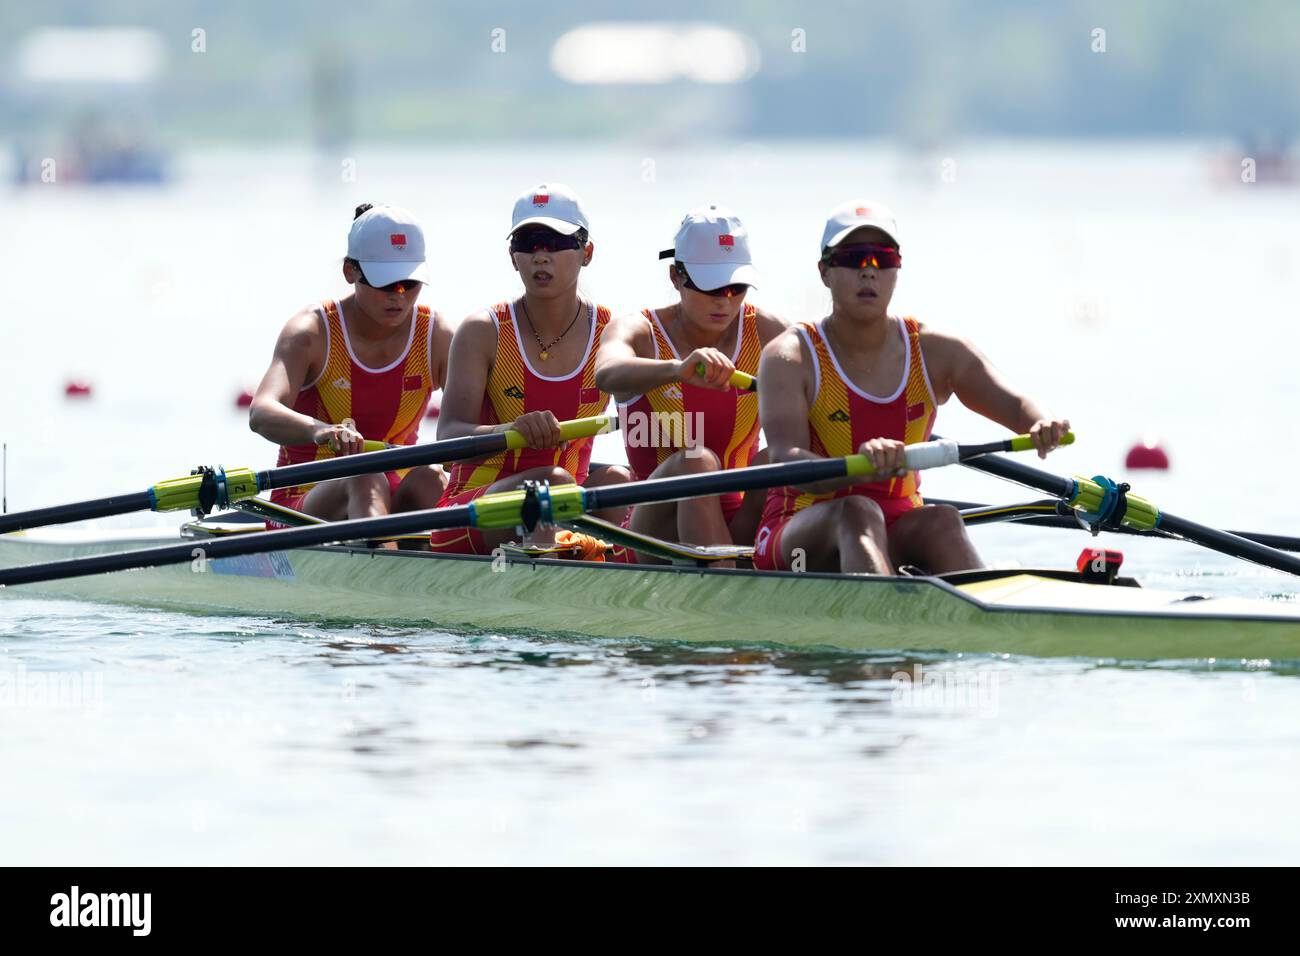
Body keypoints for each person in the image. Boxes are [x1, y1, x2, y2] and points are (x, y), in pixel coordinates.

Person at [754, 200, 1070, 575]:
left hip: (898, 523)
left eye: (882, 258)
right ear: (825, 271)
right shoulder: (790, 356)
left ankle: (993, 625)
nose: (868, 271)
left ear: (897, 269)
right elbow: (786, 458)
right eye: (854, 258)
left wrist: (1042, 422)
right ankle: (886, 622)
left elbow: (1017, 406)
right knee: (857, 512)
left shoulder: (936, 350)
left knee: (943, 520)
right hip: (798, 533)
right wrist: (859, 468)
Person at [430, 183, 628, 557]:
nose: (541, 255)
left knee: (621, 481)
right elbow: (449, 440)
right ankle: (552, 583)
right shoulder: (483, 331)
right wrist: (510, 430)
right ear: (512, 256)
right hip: (469, 512)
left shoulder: (612, 334)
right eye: (528, 241)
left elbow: (645, 428)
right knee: (553, 480)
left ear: (586, 253)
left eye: (554, 241)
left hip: (565, 504)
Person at [249, 203, 451, 543]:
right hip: (302, 508)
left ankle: (445, 567)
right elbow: (261, 412)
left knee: (432, 477)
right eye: (385, 282)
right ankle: (385, 569)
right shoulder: (311, 332)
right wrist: (321, 431)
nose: (398, 296)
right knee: (364, 474)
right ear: (349, 271)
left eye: (409, 282)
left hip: (395, 497)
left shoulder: (437, 336)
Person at [594, 204, 786, 561]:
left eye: (736, 286)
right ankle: (726, 583)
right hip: (652, 524)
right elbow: (606, 374)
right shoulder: (638, 329)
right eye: (710, 285)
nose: (724, 300)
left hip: (738, 517)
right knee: (697, 460)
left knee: (775, 459)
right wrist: (676, 369)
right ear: (676, 277)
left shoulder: (767, 330)